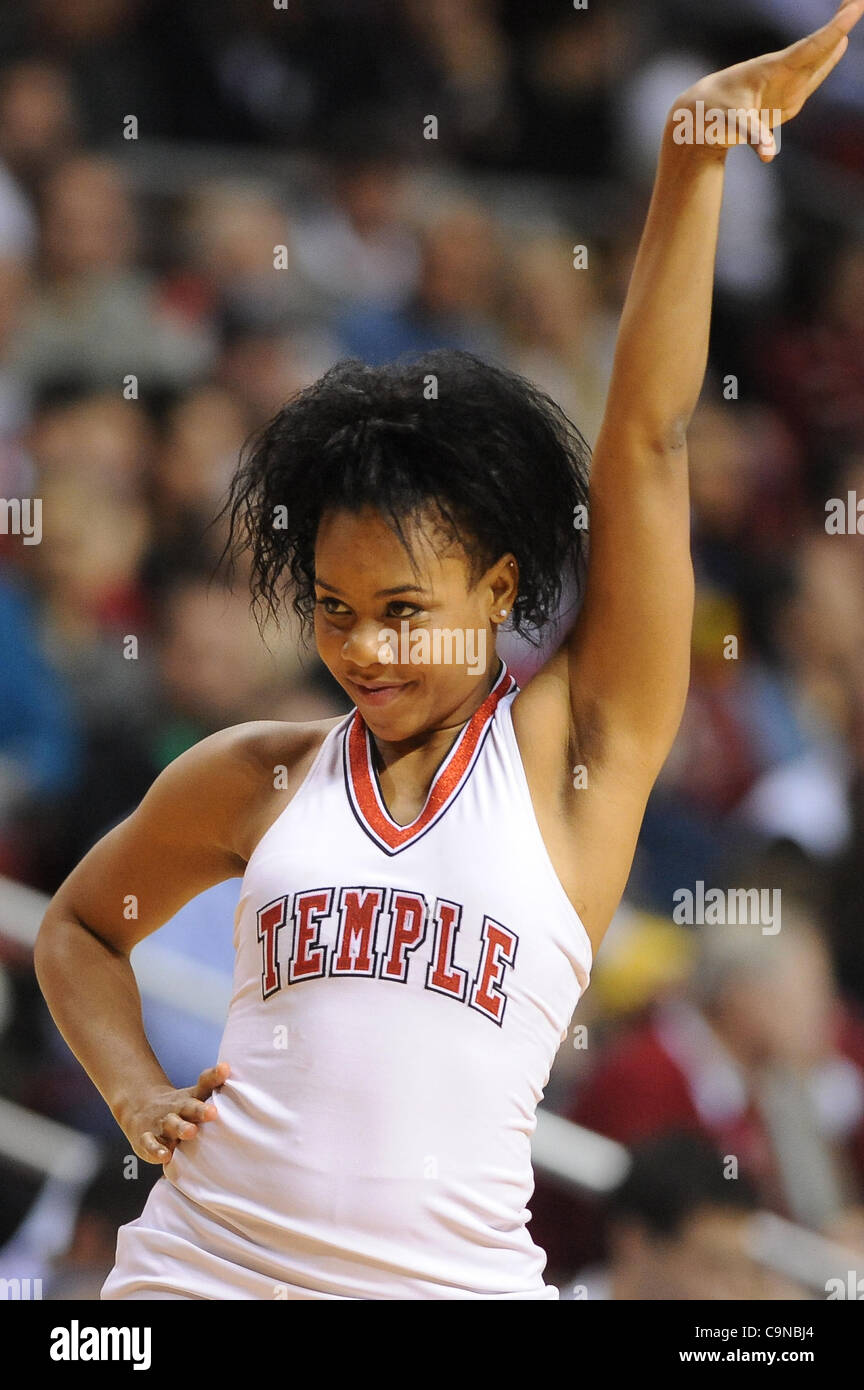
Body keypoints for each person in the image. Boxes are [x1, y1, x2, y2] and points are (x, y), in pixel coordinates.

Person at [33, 2, 864, 1300]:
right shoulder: (257, 773)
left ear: (500, 586)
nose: (362, 644)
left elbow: (645, 442)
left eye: (406, 610)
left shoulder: (573, 753)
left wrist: (691, 161)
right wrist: (136, 1089)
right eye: (332, 604)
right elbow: (79, 925)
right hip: (193, 1279)